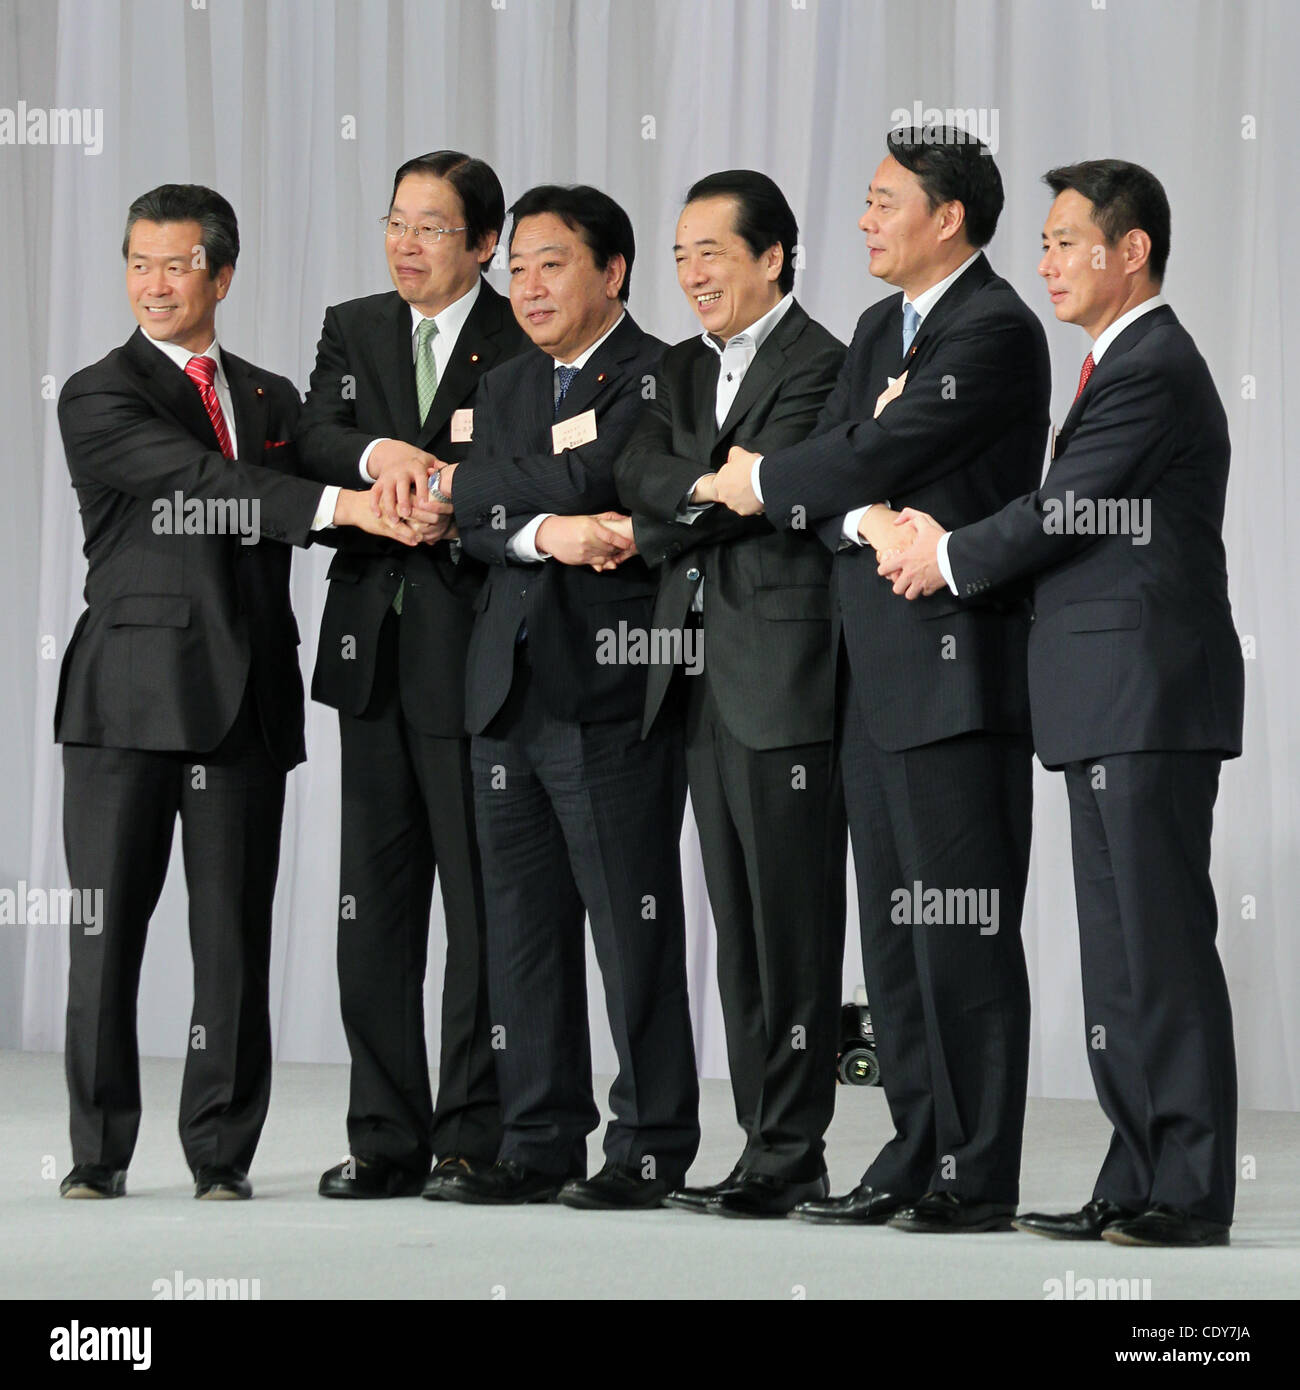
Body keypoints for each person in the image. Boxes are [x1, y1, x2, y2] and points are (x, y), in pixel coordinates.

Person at [882, 160, 1243, 1247]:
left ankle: (1183, 1188)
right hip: (1099, 701)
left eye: (1063, 241)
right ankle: (1133, 1176)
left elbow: (1067, 510)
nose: (1042, 262)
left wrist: (943, 552)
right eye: (1037, 244)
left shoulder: (1152, 365)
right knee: (1118, 956)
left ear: (1129, 251)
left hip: (1145, 698)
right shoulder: (1113, 363)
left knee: (1158, 948)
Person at [715, 126, 1050, 1232]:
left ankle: (977, 1170)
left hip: (954, 674)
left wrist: (766, 479)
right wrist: (846, 505)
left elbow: (863, 449)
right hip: (867, 672)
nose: (861, 219)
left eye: (880, 199)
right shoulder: (873, 326)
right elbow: (850, 461)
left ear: (945, 216)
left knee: (960, 927)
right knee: (896, 934)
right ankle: (912, 1151)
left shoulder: (995, 328)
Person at [55, 183, 413, 1201]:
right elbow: (208, 488)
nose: (153, 284)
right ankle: (97, 1154)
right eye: (137, 263)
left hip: (245, 701)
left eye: (175, 265)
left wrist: (397, 483)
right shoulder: (99, 392)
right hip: (128, 701)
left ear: (221, 274)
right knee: (106, 938)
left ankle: (220, 1155)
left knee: (235, 944)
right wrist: (352, 504)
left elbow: (323, 460)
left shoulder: (263, 396)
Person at [410, 184, 700, 1208]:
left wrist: (508, 490)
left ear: (611, 272)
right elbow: (474, 513)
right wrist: (542, 528)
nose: (527, 285)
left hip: (609, 688)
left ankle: (651, 1141)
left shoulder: (661, 372)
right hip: (504, 691)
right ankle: (538, 1140)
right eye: (517, 266)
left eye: (551, 263)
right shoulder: (510, 381)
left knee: (631, 925)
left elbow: (600, 481)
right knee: (519, 931)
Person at [612, 170, 848, 1217]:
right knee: (736, 926)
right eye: (680, 255)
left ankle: (793, 1148)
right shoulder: (667, 370)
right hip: (691, 672)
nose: (693, 272)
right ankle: (762, 1140)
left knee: (792, 926)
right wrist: (715, 484)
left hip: (782, 673)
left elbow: (786, 488)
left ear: (772, 257)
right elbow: (639, 482)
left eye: (712, 250)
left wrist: (697, 491)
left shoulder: (824, 363)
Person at [297, 152, 529, 1201]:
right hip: (373, 657)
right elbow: (310, 435)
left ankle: (470, 1133)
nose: (406, 244)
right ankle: (383, 1134)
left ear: (483, 243)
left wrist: (458, 492)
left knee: (480, 909)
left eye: (433, 228)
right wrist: (380, 455)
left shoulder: (520, 328)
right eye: (396, 222)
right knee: (374, 908)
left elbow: (544, 464)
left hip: (476, 650)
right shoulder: (355, 326)